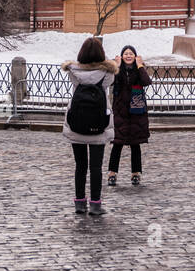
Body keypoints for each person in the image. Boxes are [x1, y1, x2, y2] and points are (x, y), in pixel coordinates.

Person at [61, 37, 118, 216]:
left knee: (80, 166)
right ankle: (95, 204)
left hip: (77, 123)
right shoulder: (107, 74)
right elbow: (109, 82)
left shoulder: (73, 71)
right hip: (98, 124)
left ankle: (79, 203)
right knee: (96, 167)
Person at [107, 45, 151, 186]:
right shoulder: (118, 69)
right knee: (117, 143)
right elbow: (111, 82)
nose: (128, 56)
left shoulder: (139, 69)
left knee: (135, 144)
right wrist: (116, 66)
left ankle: (136, 173)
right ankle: (112, 173)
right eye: (125, 53)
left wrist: (140, 65)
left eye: (131, 53)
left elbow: (146, 81)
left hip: (136, 111)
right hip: (120, 111)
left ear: (135, 56)